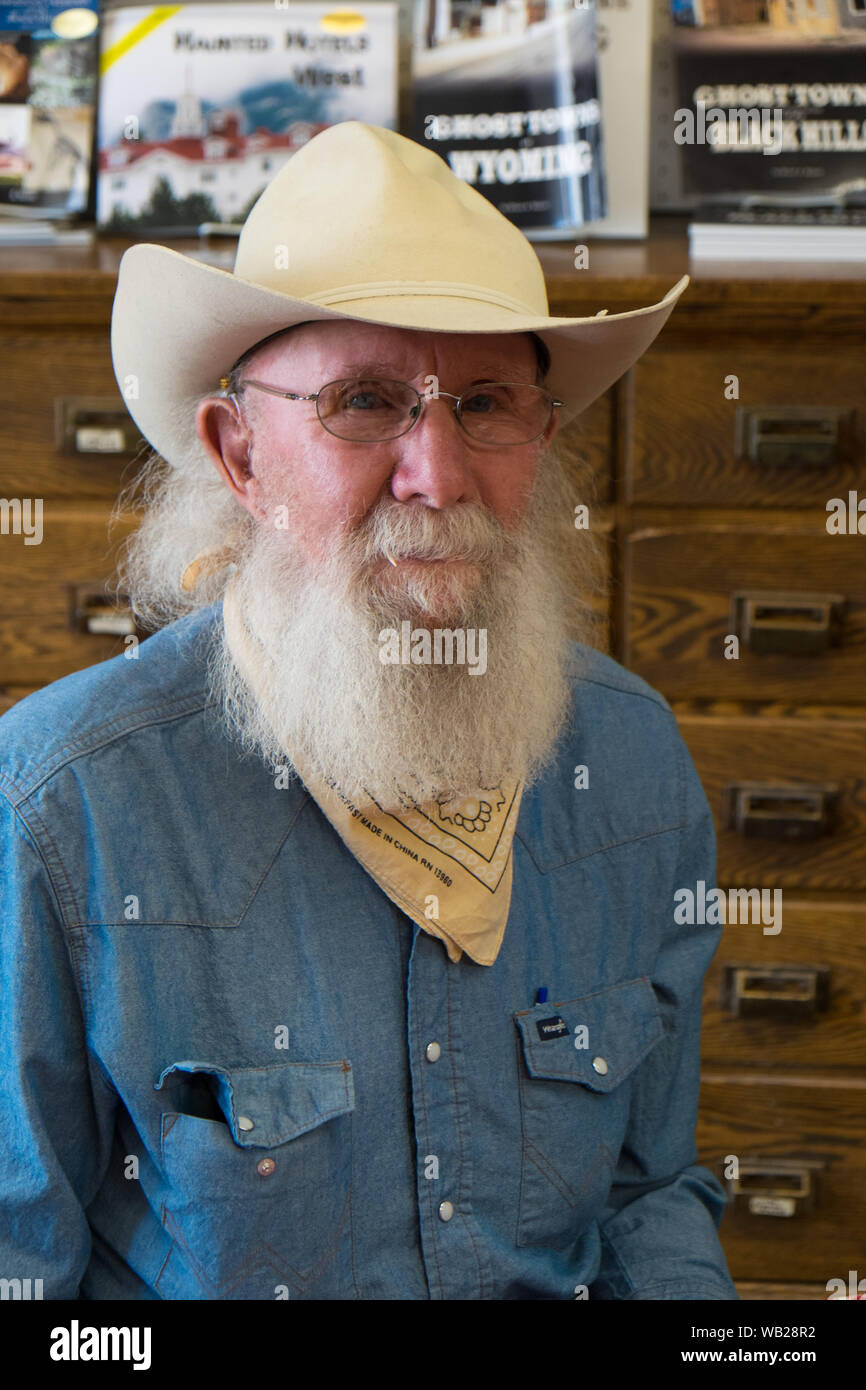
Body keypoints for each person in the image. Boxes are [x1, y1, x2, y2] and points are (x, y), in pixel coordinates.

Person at [0, 122, 737, 1300]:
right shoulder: (57, 806)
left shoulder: (629, 758)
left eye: (485, 402)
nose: (435, 476)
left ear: (540, 439)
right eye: (363, 402)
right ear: (238, 451)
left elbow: (649, 1197)